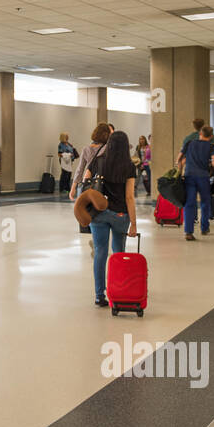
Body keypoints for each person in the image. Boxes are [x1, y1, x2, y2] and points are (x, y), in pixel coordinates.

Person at [81, 130, 138, 307]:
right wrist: (133, 224)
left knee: (100, 252)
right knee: (118, 253)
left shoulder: (97, 161)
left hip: (98, 213)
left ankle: (99, 295)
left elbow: (86, 182)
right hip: (120, 214)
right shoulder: (129, 166)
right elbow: (129, 197)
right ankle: (118, 291)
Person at [177, 124, 214, 240]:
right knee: (205, 202)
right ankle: (204, 228)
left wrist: (180, 171)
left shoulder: (189, 143)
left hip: (189, 176)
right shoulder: (212, 147)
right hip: (203, 177)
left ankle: (188, 232)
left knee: (189, 203)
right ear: (210, 136)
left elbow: (179, 159)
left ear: (200, 133)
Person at [70, 123, 112, 201]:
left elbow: (80, 169)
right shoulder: (107, 148)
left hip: (87, 183)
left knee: (87, 209)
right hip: (102, 183)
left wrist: (73, 188)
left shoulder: (86, 149)